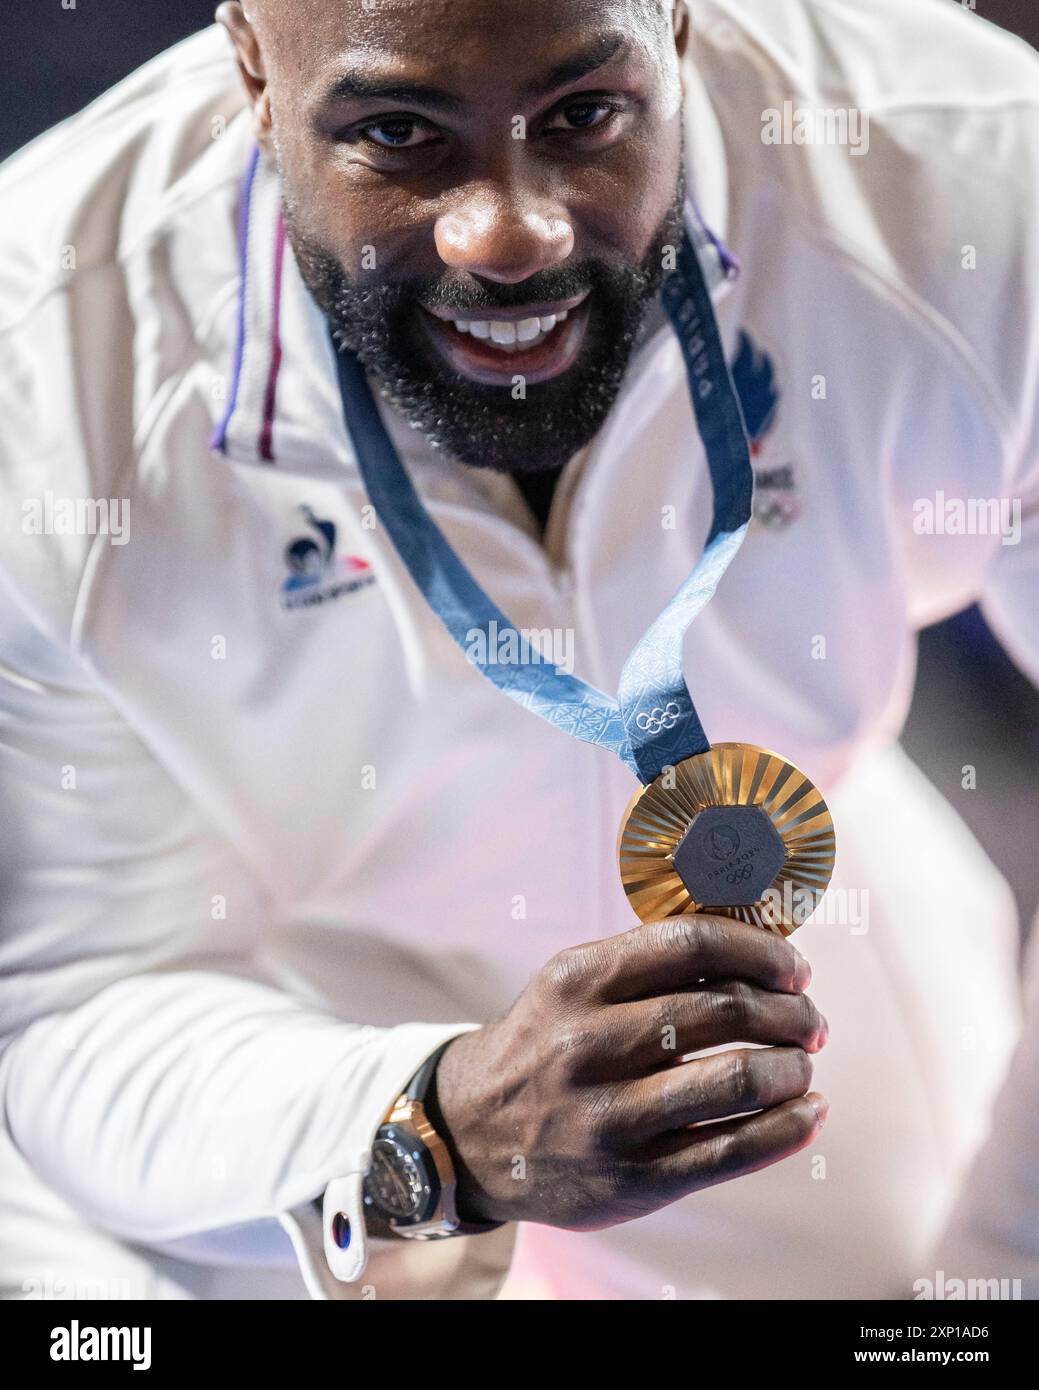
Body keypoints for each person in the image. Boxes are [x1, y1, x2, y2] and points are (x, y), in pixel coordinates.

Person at [0, 0, 1036, 1302]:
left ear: (676, 27)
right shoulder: (40, 371)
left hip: (787, 939)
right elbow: (70, 995)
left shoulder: (973, 180)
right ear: (254, 73)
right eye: (397, 131)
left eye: (583, 115)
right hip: (274, 1019)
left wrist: (1007, 1266)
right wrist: (430, 1132)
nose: (511, 230)